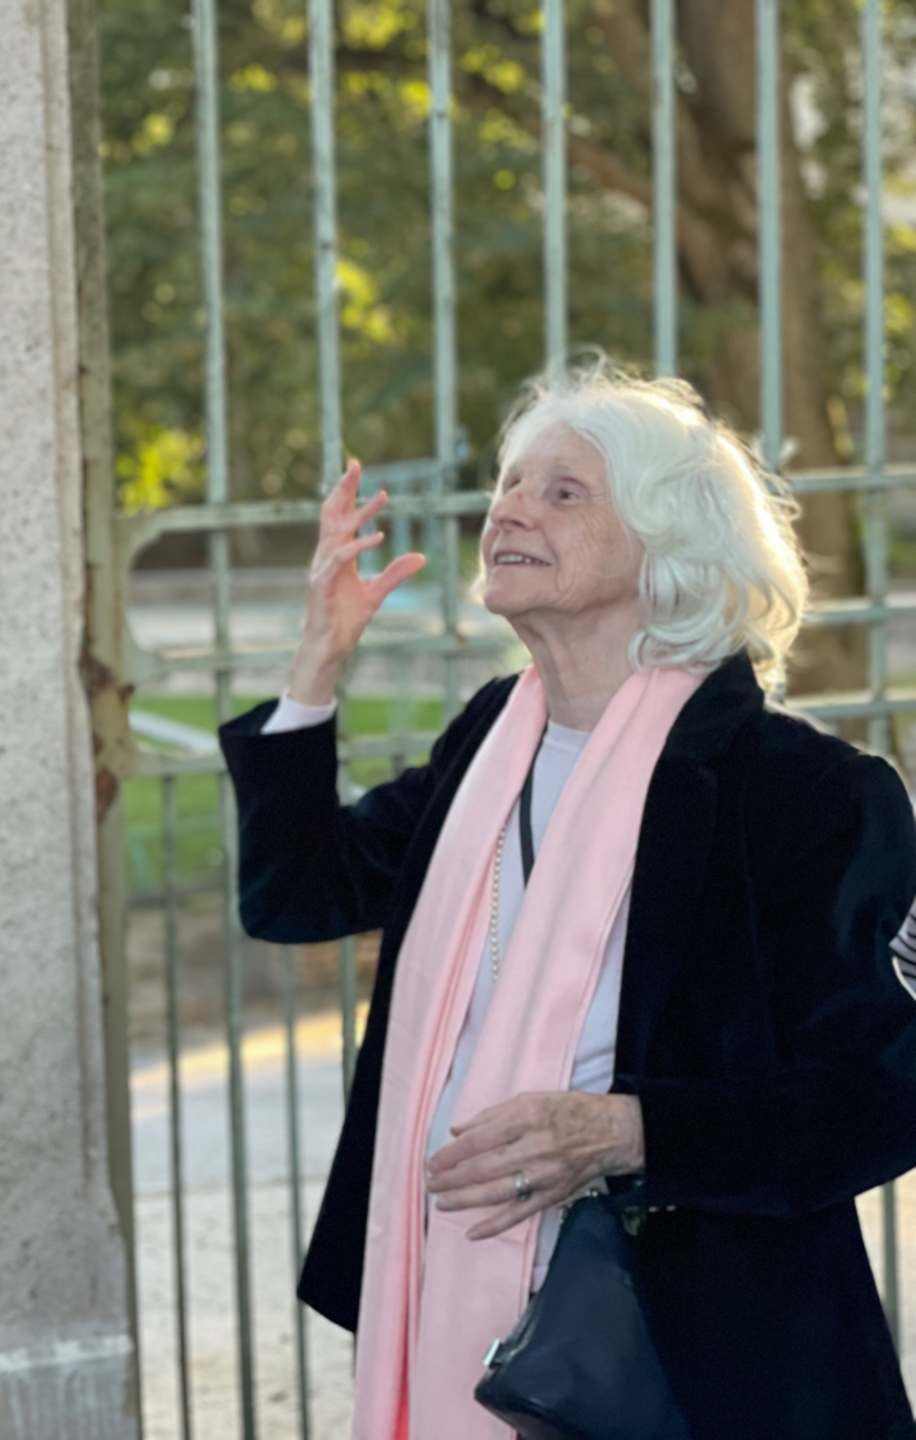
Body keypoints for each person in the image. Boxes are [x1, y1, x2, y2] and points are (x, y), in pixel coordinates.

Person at [221, 361, 916, 1439]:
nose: (509, 509)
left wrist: (632, 1132)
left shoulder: (809, 796)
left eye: (563, 492)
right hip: (450, 1306)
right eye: (508, 486)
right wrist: (317, 666)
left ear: (667, 544)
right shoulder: (487, 744)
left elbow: (885, 1091)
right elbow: (297, 894)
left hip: (697, 1349)